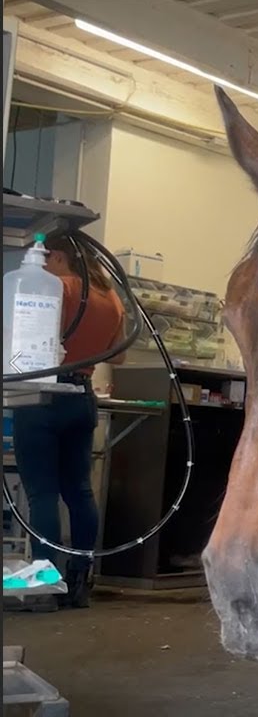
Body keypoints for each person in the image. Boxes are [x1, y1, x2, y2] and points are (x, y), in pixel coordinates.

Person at [12, 233, 125, 610]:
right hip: (83, 397)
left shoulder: (56, 287)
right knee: (79, 492)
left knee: (42, 493)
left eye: (46, 259)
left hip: (41, 397)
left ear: (58, 256)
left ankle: (45, 587)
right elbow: (119, 356)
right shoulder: (110, 297)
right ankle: (79, 583)